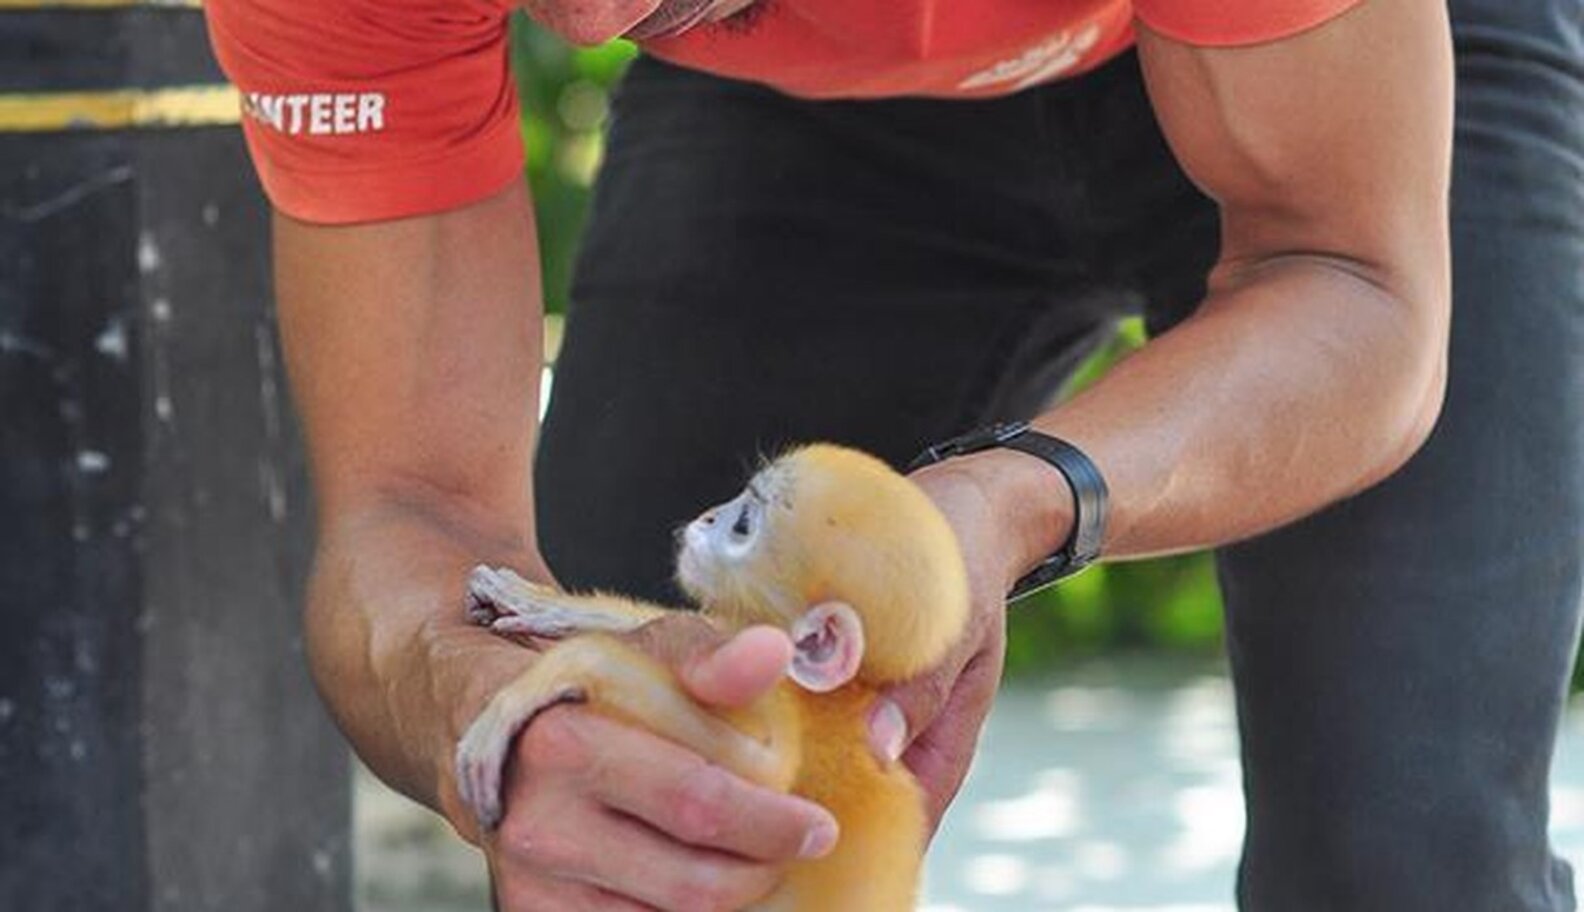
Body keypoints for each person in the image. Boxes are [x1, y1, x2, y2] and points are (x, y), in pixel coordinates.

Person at [203, 0, 1582, 908]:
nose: (586, 18)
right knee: (643, 811)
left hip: (1334, 77)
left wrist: (1010, 504)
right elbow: (408, 512)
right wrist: (487, 716)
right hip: (796, 95)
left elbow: (1352, 279)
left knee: (1403, 852)